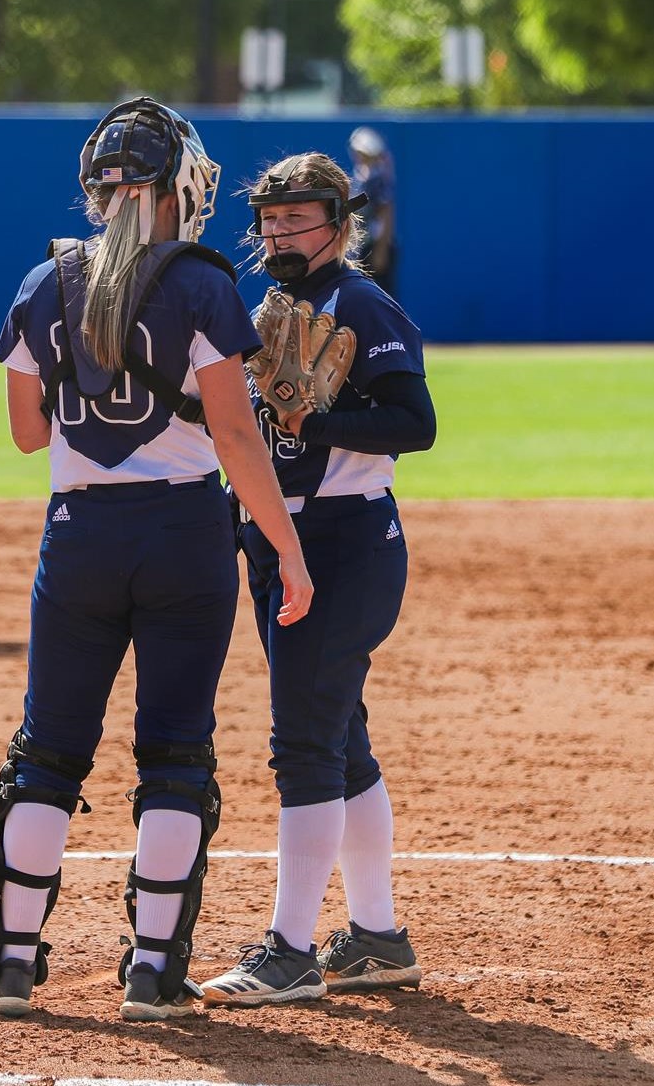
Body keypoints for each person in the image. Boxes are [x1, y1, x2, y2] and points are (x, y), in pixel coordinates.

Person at [0, 98, 313, 1023]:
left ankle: (11, 965)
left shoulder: (44, 283)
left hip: (78, 536)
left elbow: (29, 437)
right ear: (177, 190)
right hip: (185, 536)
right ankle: (154, 971)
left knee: (47, 753)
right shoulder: (203, 285)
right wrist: (289, 551)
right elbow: (237, 437)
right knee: (173, 752)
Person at [198, 151, 437, 1007]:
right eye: (269, 219)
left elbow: (417, 423)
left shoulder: (361, 304)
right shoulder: (268, 308)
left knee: (303, 744)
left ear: (340, 224)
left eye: (297, 218)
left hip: (343, 544)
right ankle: (377, 937)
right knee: (341, 741)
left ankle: (290, 950)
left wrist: (320, 418)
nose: (279, 233)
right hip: (280, 539)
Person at [347, 127, 397, 299]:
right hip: (362, 247)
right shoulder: (362, 176)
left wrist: (381, 249)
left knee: (380, 296)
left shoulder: (378, 178)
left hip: (374, 246)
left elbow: (386, 213)